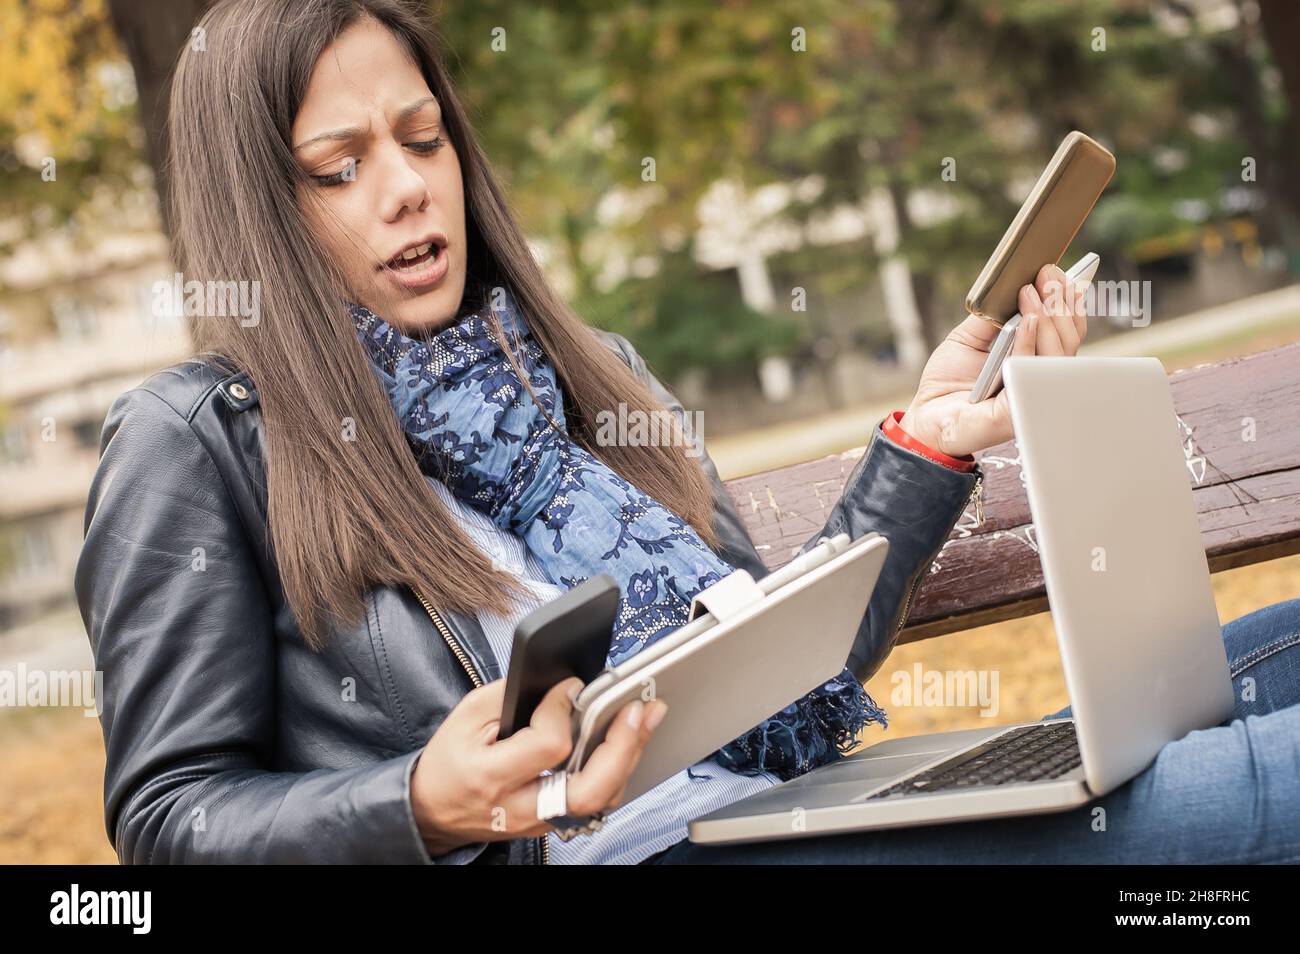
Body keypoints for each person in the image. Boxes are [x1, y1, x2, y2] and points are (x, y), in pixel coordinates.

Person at [75, 0, 1300, 865]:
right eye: (336, 167)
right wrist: (421, 805)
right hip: (642, 859)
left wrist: (928, 445)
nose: (404, 186)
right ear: (262, 209)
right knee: (1246, 792)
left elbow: (787, 668)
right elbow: (173, 816)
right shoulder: (194, 443)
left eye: (421, 135)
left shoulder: (590, 372)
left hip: (788, 808)